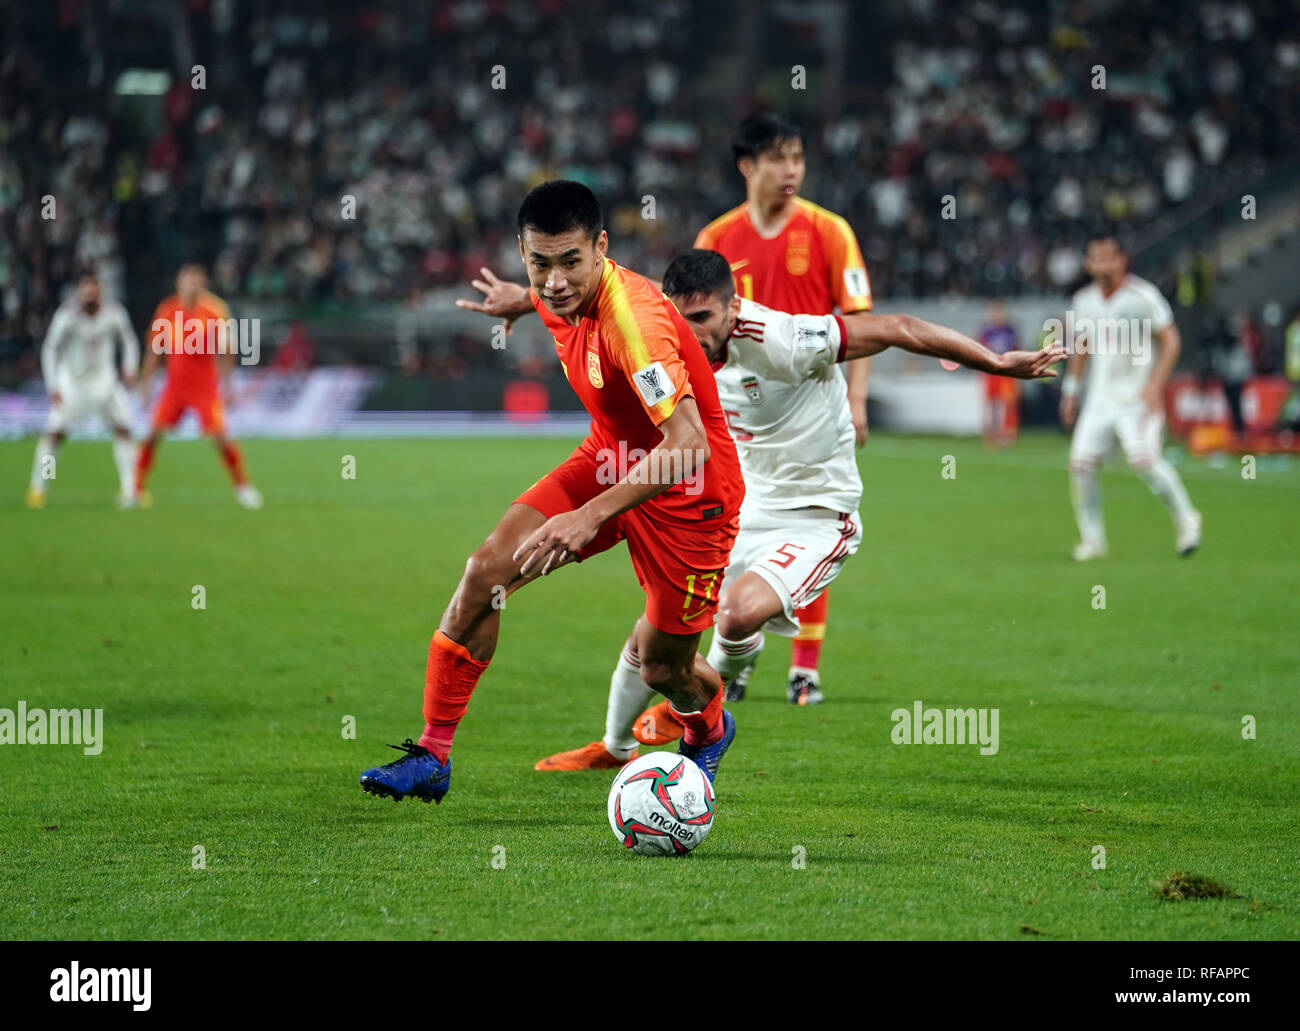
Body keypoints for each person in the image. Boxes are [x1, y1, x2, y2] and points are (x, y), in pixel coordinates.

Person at [534, 249, 1062, 770]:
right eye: (681, 318)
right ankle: (613, 747)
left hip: (817, 513)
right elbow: (607, 297)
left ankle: (699, 700)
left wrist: (993, 362)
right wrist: (524, 299)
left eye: (703, 318)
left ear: (733, 308)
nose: (691, 332)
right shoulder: (664, 342)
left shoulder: (785, 340)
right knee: (651, 634)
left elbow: (897, 327)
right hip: (742, 509)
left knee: (739, 614)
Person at [457, 112, 873, 706]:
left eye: (799, 158)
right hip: (719, 388)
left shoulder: (830, 230)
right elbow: (649, 299)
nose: (792, 170)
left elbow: (858, 321)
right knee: (735, 558)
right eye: (780, 158)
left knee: (804, 511)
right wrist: (528, 300)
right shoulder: (717, 236)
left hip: (797, 379)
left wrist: (855, 396)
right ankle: (718, 672)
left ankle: (798, 668)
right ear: (748, 166)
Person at [359, 181, 746, 803]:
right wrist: (519, 301)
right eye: (540, 264)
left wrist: (588, 517)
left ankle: (709, 727)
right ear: (522, 251)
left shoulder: (635, 324)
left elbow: (689, 445)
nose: (556, 280)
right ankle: (432, 754)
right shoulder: (555, 292)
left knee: (662, 668)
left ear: (601, 248)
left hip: (690, 496)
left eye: (571, 262)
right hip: (608, 459)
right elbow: (548, 296)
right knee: (485, 572)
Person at [1060, 235, 1201, 560]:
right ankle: (1093, 541)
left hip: (1136, 399)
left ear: (1122, 259)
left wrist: (1155, 384)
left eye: (1109, 257)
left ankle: (1187, 518)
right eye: (1096, 258)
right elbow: (1081, 348)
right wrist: (1071, 392)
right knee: (1080, 466)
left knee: (1144, 461)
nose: (1103, 264)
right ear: (1087, 264)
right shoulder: (1084, 300)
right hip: (1099, 401)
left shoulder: (1143, 296)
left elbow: (1171, 340)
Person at [135, 264, 263, 509]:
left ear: (202, 284)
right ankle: (136, 489)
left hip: (205, 388)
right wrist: (146, 383)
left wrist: (229, 386)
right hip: (175, 388)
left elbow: (226, 351)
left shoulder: (214, 310)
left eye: (195, 281)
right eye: (186, 281)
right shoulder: (167, 310)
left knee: (222, 438)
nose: (191, 286)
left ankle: (242, 486)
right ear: (178, 283)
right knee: (151, 436)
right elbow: (154, 351)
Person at [25, 270, 140, 509]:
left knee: (124, 430)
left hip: (105, 383)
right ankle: (39, 486)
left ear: (100, 289)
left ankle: (130, 490)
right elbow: (50, 348)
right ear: (79, 290)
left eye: (94, 286)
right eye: (85, 287)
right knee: (55, 435)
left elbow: (128, 340)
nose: (90, 292)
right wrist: (53, 384)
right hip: (73, 386)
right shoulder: (67, 315)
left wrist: (129, 367)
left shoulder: (114, 313)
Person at [978, 300, 1021, 448]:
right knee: (991, 405)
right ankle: (990, 434)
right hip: (990, 373)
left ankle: (1007, 434)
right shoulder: (986, 332)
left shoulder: (1010, 330)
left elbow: (1017, 350)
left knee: (1008, 404)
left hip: (1007, 373)